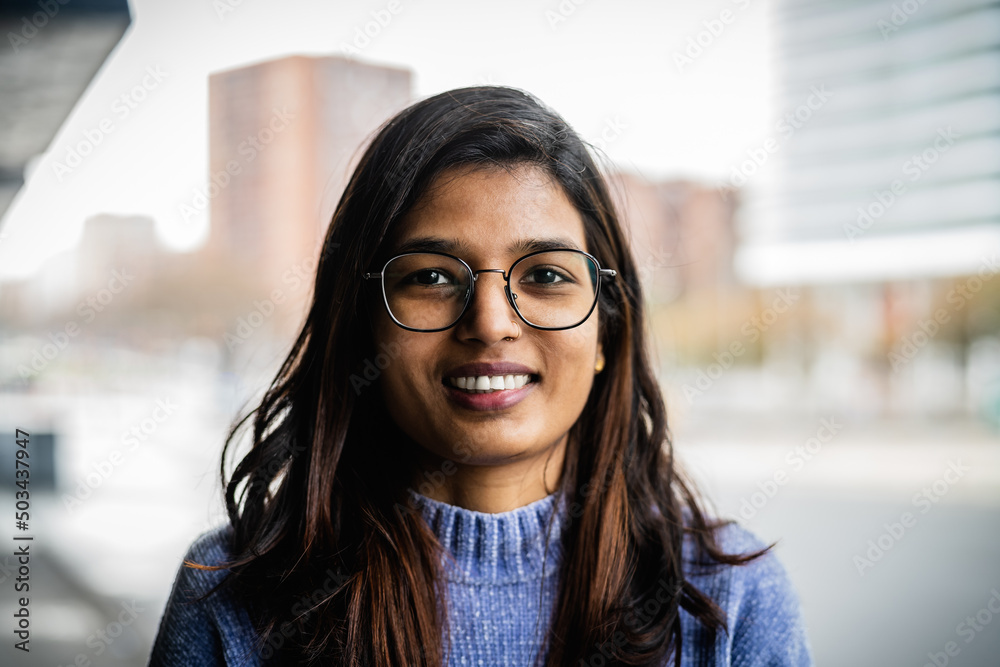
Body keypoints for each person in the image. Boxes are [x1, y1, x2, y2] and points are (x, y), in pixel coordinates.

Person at [148, 85, 813, 666]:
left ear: (606, 329)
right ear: (361, 326)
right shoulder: (231, 598)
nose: (491, 322)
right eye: (432, 276)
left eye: (547, 275)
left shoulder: (733, 600)